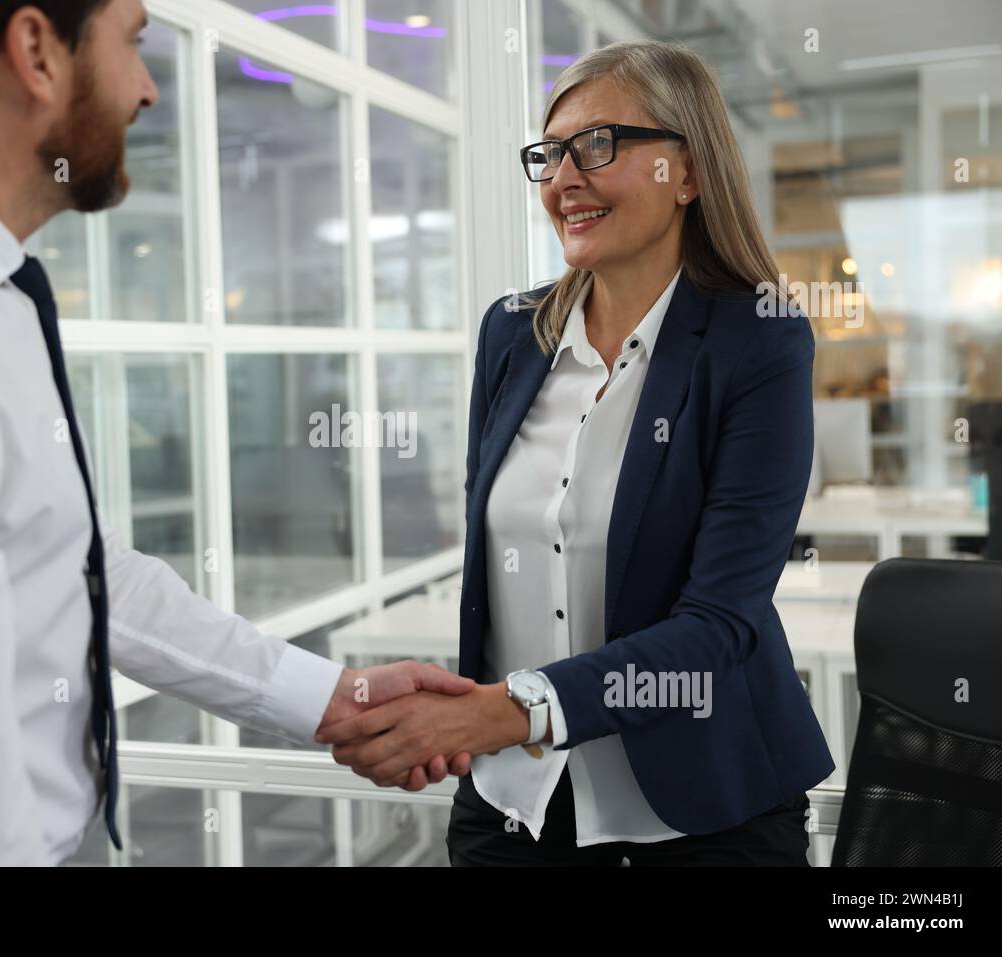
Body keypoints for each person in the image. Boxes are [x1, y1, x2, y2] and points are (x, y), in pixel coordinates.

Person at [0, 0, 470, 867]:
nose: (147, 90)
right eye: (133, 40)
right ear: (37, 51)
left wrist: (327, 695)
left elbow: (77, 563)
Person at [320, 40, 836, 866]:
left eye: (599, 145)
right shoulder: (511, 332)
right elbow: (497, 561)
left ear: (689, 173)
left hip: (702, 815)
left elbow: (718, 624)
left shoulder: (757, 340)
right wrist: (466, 715)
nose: (563, 178)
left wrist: (501, 710)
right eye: (549, 153)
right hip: (514, 807)